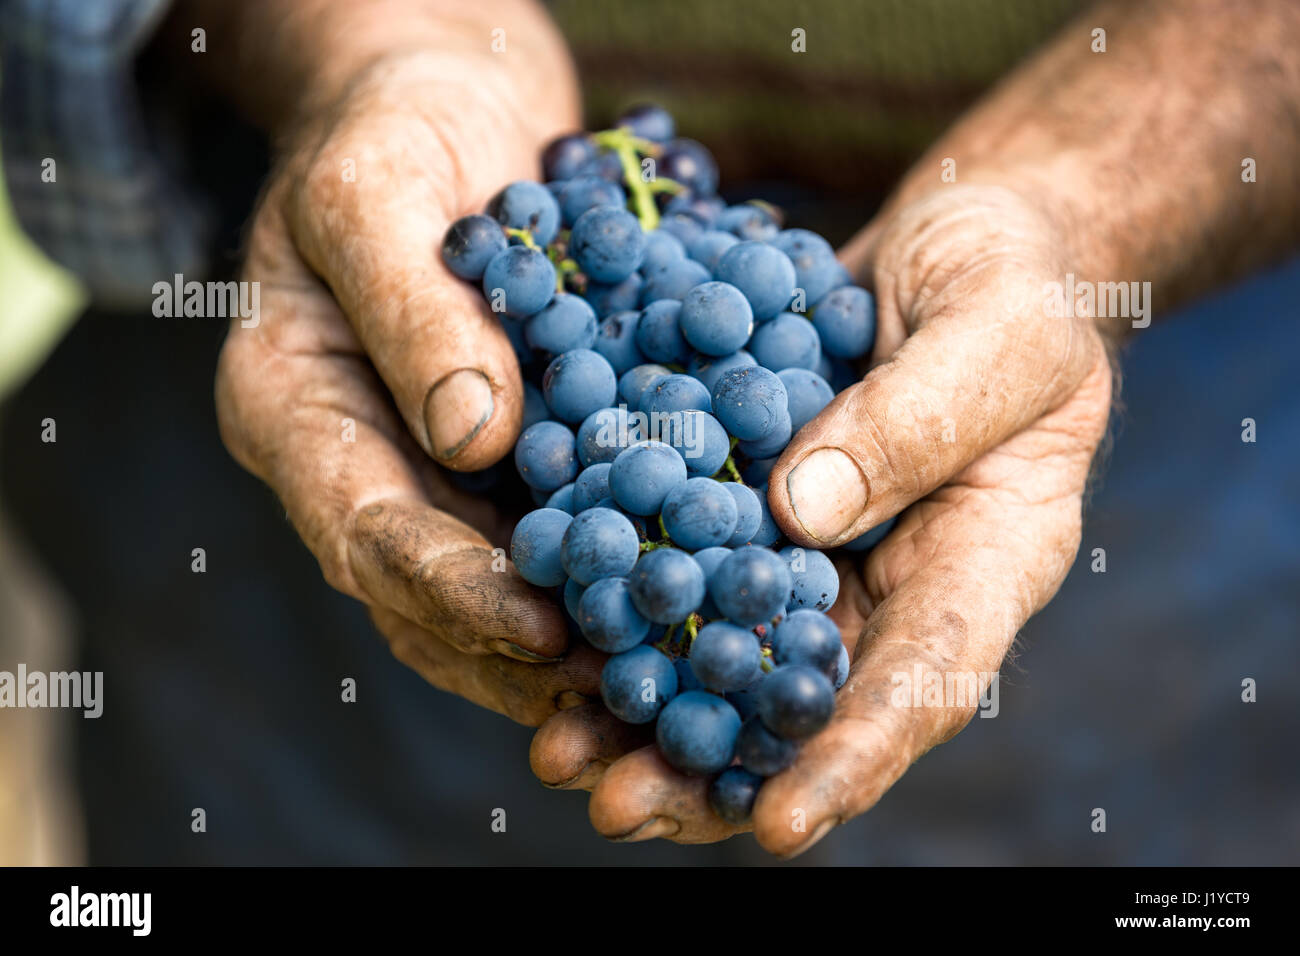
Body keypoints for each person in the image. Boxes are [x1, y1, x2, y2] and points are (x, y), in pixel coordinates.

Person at [2, 0, 1296, 861]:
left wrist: (1080, 212)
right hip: (340, 235)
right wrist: (373, 42)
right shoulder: (541, 267)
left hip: (1155, 335)